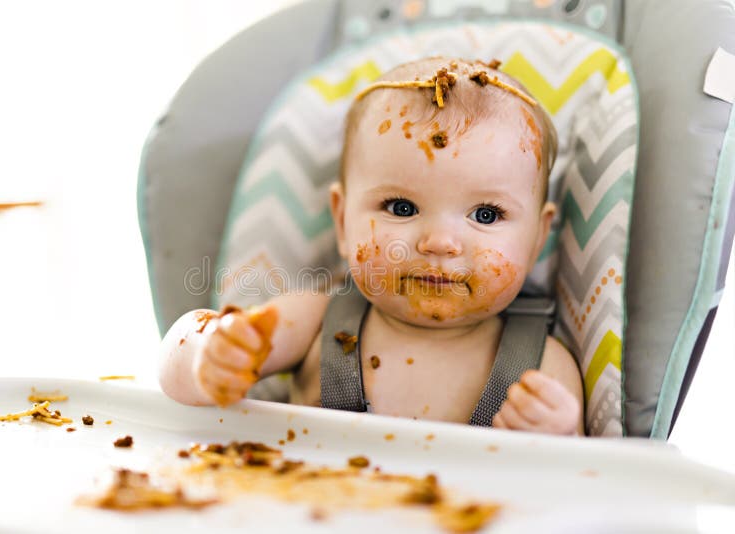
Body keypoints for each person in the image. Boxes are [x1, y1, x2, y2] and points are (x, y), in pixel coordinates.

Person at [158, 57, 584, 436]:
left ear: (536, 239)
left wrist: (559, 437)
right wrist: (207, 355)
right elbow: (176, 372)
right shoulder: (314, 321)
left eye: (486, 215)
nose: (438, 242)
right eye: (401, 207)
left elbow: (589, 489)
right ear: (343, 222)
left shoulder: (542, 366)